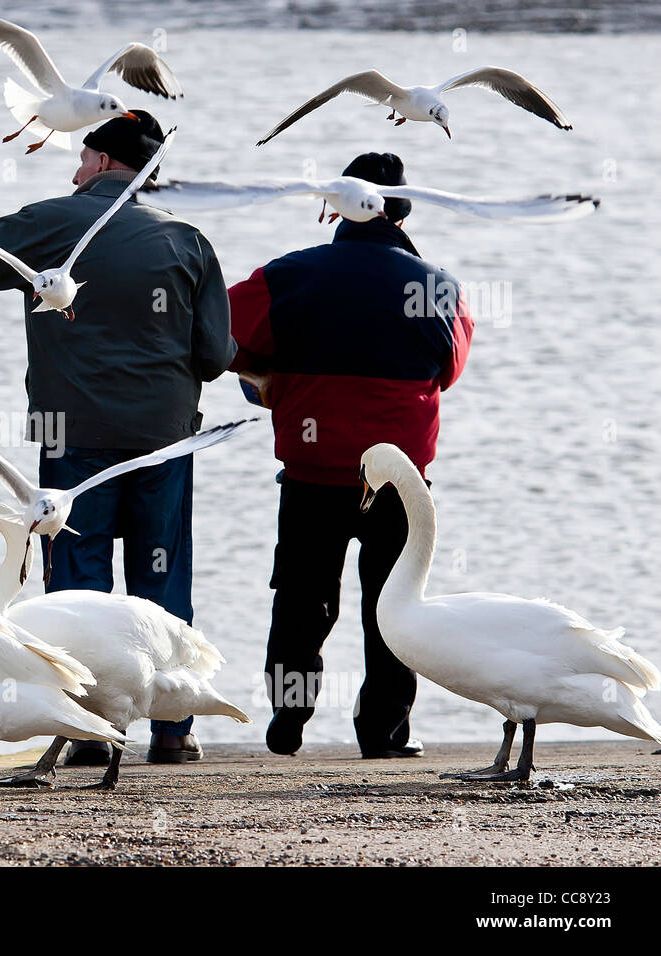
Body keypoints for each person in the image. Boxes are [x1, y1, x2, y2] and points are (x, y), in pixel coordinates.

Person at [0, 111, 234, 764]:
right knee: (161, 576)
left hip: (74, 436)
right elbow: (216, 354)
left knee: (78, 591)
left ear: (106, 162)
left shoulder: (55, 222)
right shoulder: (187, 240)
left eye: (82, 157)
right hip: (165, 438)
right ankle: (175, 730)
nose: (74, 169)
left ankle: (85, 729)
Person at [226, 152, 474, 759]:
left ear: (335, 207)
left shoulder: (286, 275)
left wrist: (263, 377)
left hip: (313, 472)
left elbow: (218, 334)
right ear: (402, 210)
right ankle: (384, 733)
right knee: (392, 606)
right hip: (398, 478)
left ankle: (289, 718)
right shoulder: (435, 284)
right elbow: (449, 371)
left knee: (302, 598)